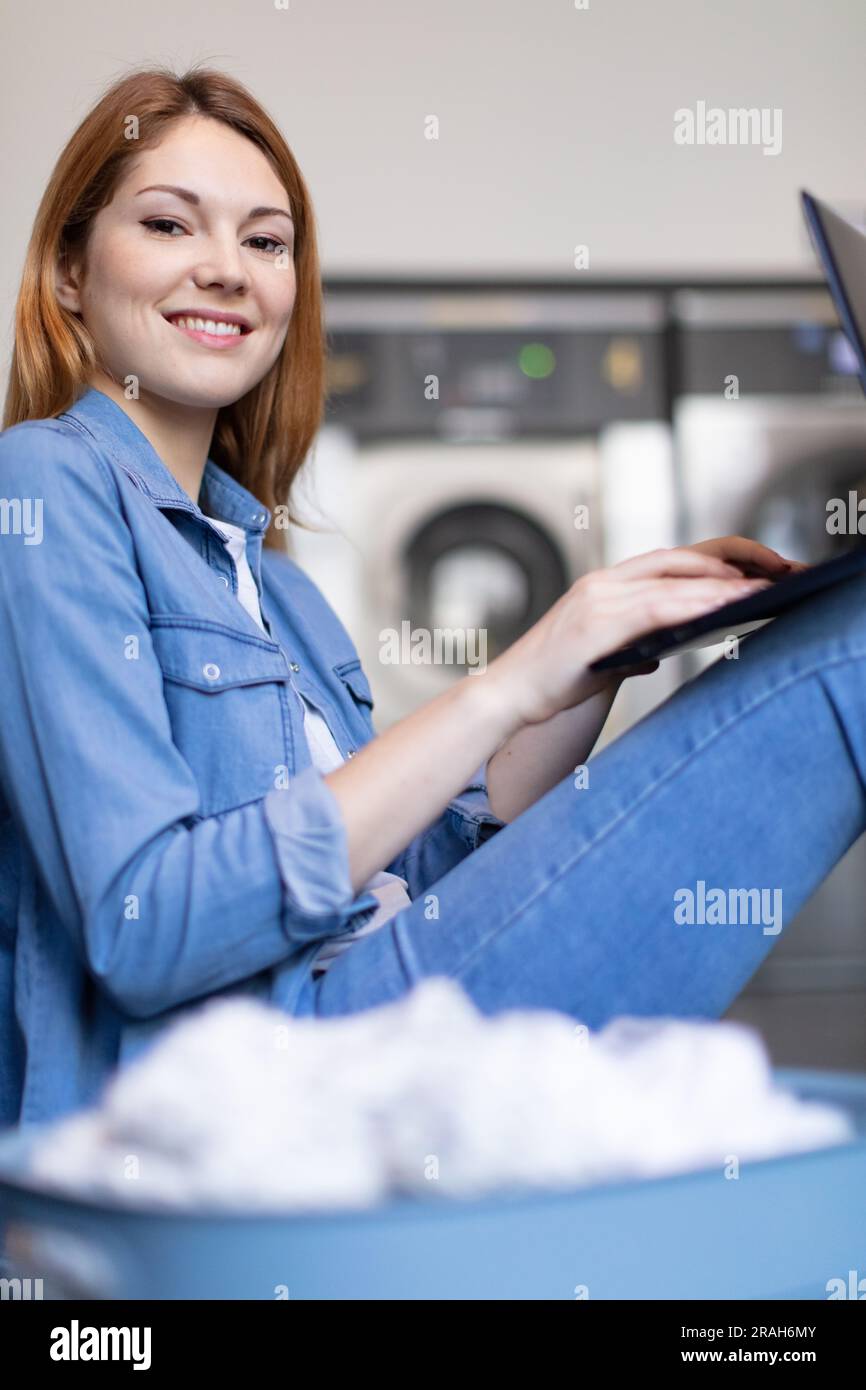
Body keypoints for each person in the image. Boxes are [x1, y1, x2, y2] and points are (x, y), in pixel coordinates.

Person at [0, 65, 859, 1129]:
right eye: (172, 225)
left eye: (265, 242)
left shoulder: (272, 579)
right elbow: (147, 927)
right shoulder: (41, 482)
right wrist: (506, 683)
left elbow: (417, 862)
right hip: (273, 1070)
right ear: (70, 270)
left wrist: (594, 653)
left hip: (376, 1012)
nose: (226, 269)